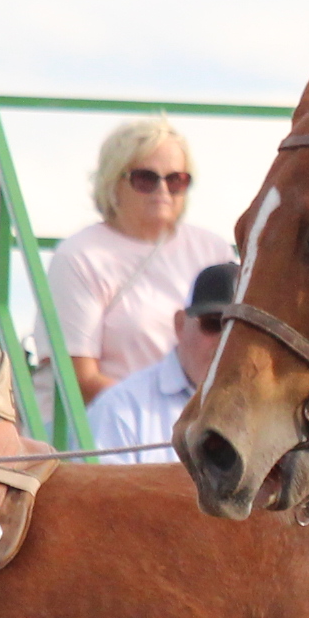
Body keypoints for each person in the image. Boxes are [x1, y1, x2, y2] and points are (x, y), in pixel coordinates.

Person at [47, 116, 234, 404]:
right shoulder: (79, 256)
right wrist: (157, 416)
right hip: (108, 421)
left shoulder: (213, 250)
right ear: (114, 181)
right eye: (146, 179)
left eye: (176, 180)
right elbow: (80, 379)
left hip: (195, 421)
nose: (162, 191)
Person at [87, 263, 235, 466]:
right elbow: (103, 494)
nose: (227, 341)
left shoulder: (276, 412)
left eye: (241, 331)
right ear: (180, 324)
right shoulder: (121, 408)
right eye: (214, 323)